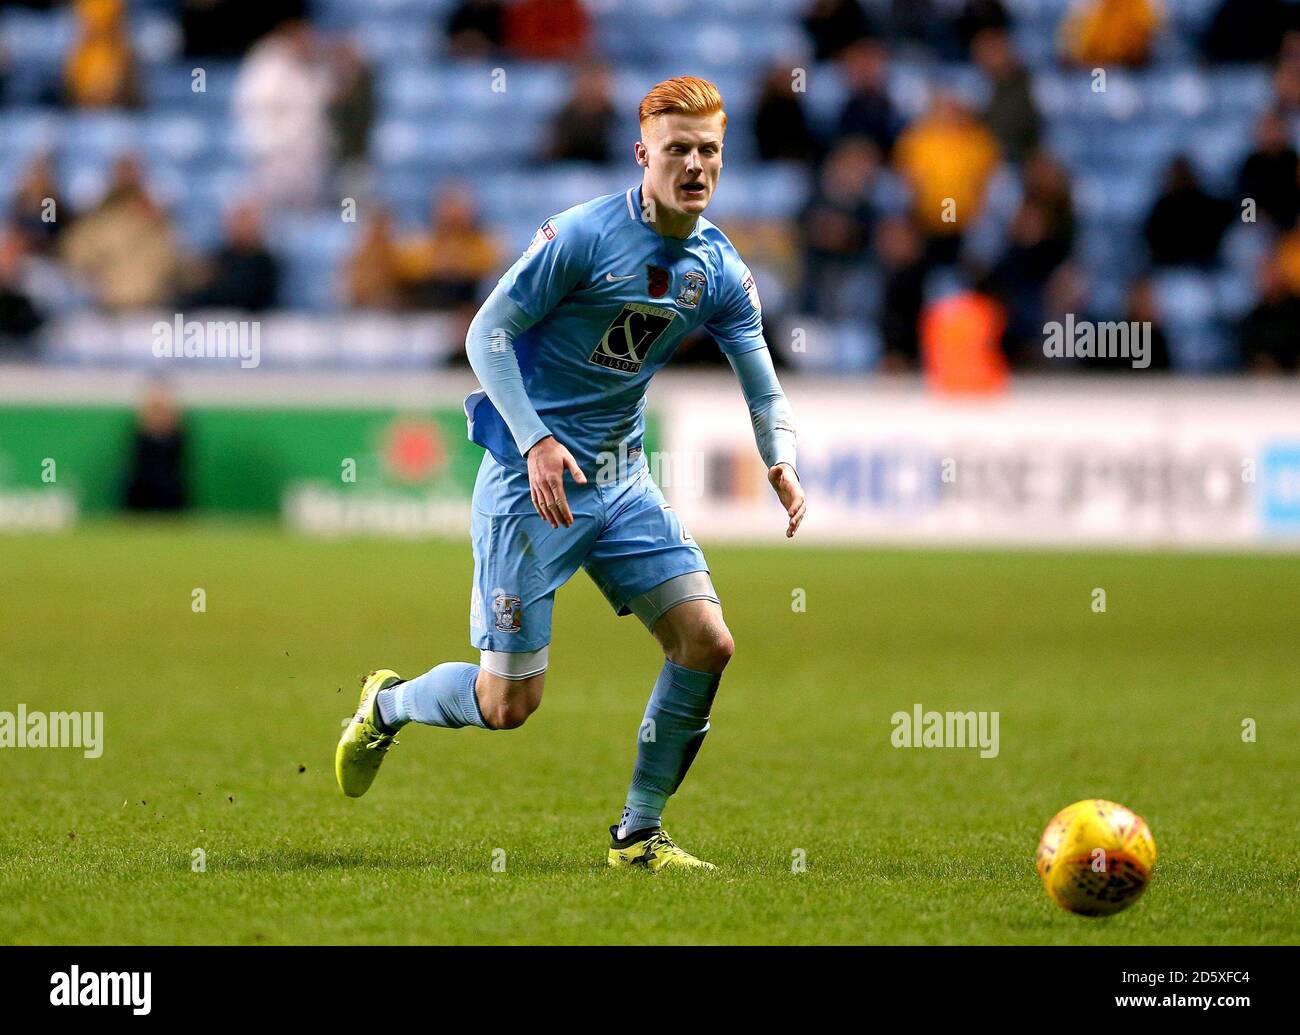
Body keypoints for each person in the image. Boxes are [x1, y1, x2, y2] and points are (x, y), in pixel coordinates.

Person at [334, 77, 807, 871]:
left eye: (709, 150)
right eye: (677, 150)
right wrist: (534, 439)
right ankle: (387, 704)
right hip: (531, 488)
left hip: (621, 480)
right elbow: (486, 333)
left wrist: (781, 455)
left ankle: (638, 835)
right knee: (509, 703)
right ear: (642, 155)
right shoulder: (584, 237)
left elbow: (760, 375)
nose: (695, 165)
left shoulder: (718, 267)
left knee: (707, 641)